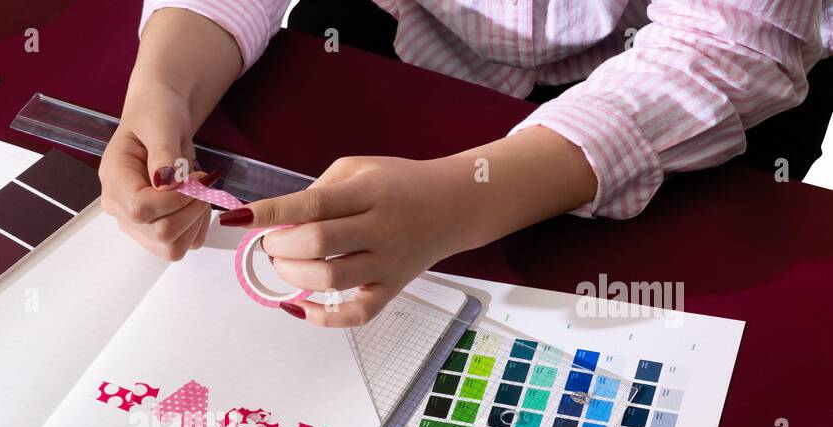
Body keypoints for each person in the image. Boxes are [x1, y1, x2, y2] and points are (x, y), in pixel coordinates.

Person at [98, 1, 830, 326]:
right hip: (398, 37)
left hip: (678, 99)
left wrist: (468, 199)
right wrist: (165, 80)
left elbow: (731, 45)